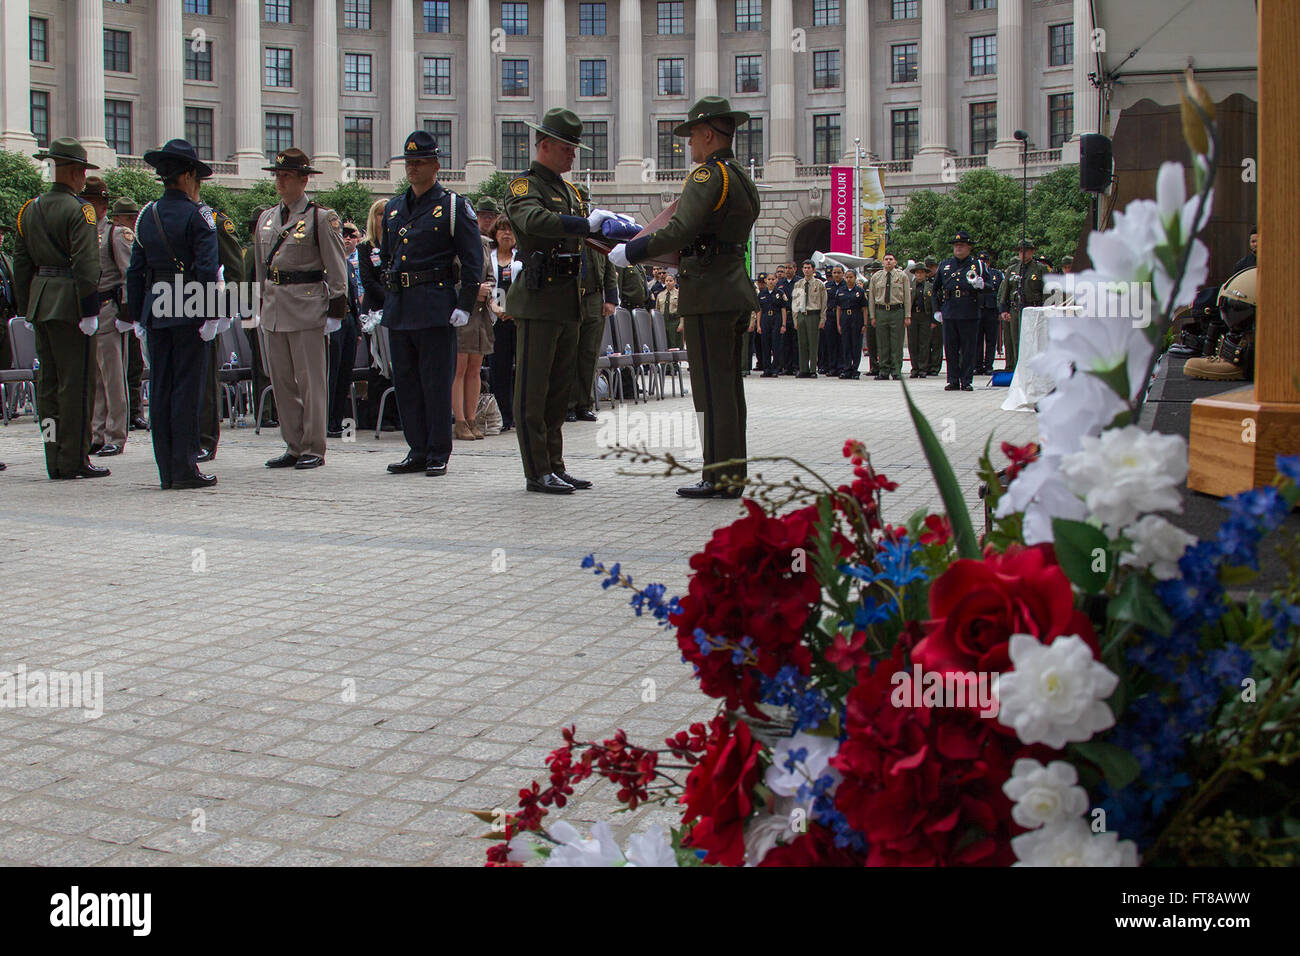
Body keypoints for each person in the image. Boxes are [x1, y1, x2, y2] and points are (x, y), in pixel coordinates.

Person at [608, 95, 760, 499]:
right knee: (728, 389)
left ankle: (718, 475)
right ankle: (731, 474)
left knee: (710, 389)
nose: (689, 145)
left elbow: (681, 229)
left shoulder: (707, 177)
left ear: (707, 134)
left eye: (692, 136)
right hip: (731, 288)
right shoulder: (741, 177)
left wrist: (633, 251)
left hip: (708, 294)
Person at [503, 108, 616, 494]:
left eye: (575, 149)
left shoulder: (570, 191)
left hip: (569, 297)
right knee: (533, 390)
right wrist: (584, 225)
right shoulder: (524, 186)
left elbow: (586, 238)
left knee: (558, 391)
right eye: (567, 148)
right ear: (545, 145)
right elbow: (533, 220)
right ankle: (537, 470)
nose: (573, 156)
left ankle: (555, 463)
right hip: (538, 298)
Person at [378, 131, 482, 475]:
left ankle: (438, 450)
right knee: (406, 383)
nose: (412, 169)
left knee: (435, 382)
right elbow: (388, 257)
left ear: (436, 165)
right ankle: (417, 448)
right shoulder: (394, 208)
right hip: (401, 306)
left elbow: (472, 260)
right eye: (408, 163)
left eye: (419, 162)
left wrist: (465, 304)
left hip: (436, 305)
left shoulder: (453, 206)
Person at [125, 138, 220, 489]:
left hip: (155, 308)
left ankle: (166, 467)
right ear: (189, 175)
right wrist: (212, 315)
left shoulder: (145, 215)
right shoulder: (202, 214)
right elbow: (208, 270)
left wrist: (137, 315)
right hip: (190, 306)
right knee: (186, 389)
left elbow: (135, 271)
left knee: (162, 388)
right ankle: (184, 467)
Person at [11, 137, 107, 480]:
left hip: (40, 303)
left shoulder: (29, 209)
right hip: (69, 305)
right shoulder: (81, 210)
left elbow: (21, 266)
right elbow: (85, 264)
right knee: (77, 386)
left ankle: (52, 453)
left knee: (49, 388)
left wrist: (26, 308)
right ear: (77, 172)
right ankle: (74, 458)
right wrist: (89, 309)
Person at [253, 147, 348, 471]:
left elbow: (337, 267)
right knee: (281, 380)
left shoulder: (321, 217)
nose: (280, 182)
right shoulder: (266, 218)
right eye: (277, 176)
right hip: (275, 306)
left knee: (311, 381)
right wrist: (259, 303)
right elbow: (259, 268)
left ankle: (313, 446)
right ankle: (292, 445)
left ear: (304, 180)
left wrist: (336, 311)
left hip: (307, 305)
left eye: (287, 176)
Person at [89, 197, 137, 457]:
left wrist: (127, 313)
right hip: (92, 310)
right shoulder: (87, 232)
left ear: (102, 207)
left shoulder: (116, 234)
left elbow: (129, 274)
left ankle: (116, 435)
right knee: (97, 377)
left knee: (113, 378)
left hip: (109, 308)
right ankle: (97, 432)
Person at [197, 203, 244, 461]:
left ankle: (204, 439)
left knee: (204, 377)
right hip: (169, 302)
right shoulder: (156, 213)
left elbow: (234, 269)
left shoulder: (214, 220)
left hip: (202, 305)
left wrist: (225, 310)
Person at [568, 182, 618, 424]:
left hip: (595, 298)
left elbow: (609, 264)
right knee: (569, 352)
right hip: (572, 297)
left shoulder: (598, 232)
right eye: (581, 205)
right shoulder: (568, 229)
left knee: (589, 354)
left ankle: (583, 404)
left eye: (586, 205)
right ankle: (567, 404)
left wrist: (611, 299)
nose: (584, 209)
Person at [933, 230, 985, 392]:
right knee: (951, 347)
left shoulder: (977, 265)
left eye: (961, 245)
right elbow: (935, 290)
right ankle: (953, 379)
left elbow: (991, 287)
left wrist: (981, 285)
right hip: (949, 310)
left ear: (969, 247)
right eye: (956, 245)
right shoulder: (945, 265)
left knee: (968, 348)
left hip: (969, 310)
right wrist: (937, 310)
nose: (958, 248)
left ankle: (966, 380)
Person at [326, 219, 363, 438]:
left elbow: (353, 300)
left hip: (348, 321)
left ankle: (337, 420)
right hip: (333, 321)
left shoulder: (347, 264)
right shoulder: (326, 263)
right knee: (332, 372)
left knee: (344, 373)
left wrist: (357, 327)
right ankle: (328, 419)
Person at [486, 216, 519, 431]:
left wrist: (515, 310)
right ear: (495, 234)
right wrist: (495, 308)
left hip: (519, 318)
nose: (506, 234)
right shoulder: (487, 258)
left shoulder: (522, 257)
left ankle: (520, 413)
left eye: (510, 230)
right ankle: (503, 416)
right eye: (502, 230)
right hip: (495, 319)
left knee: (522, 368)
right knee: (500, 369)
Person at [997, 239, 1045, 372]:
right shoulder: (1012, 270)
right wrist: (1003, 310)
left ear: (1032, 252)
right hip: (1015, 309)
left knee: (1032, 341)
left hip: (1033, 309)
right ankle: (1017, 368)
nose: (1023, 254)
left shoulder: (1040, 269)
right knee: (1015, 341)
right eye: (1020, 251)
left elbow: (1046, 291)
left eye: (1026, 251)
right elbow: (1005, 291)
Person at [868, 253, 911, 380]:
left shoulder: (902, 276)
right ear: (883, 262)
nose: (888, 262)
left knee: (896, 343)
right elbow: (872, 298)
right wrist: (872, 316)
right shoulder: (876, 277)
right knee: (882, 343)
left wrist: (907, 315)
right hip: (881, 311)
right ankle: (883, 370)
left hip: (897, 311)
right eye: (886, 259)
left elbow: (907, 297)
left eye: (890, 259)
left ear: (895, 262)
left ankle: (896, 370)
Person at [791, 259, 825, 378]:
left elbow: (824, 303)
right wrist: (795, 319)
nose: (806, 270)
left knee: (813, 343)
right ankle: (803, 368)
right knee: (802, 343)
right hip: (802, 315)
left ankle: (812, 369)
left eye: (809, 268)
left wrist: (822, 319)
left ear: (813, 269)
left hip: (813, 315)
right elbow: (795, 303)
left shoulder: (819, 284)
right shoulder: (798, 284)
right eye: (804, 268)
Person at [975, 249, 1004, 376]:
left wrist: (1000, 310)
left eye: (985, 261)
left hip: (992, 310)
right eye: (981, 261)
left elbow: (1001, 292)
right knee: (977, 340)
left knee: (991, 340)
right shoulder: (974, 274)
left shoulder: (997, 274)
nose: (984, 264)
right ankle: (977, 365)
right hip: (978, 310)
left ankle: (988, 365)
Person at [907, 259, 932, 378]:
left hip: (925, 316)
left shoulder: (930, 286)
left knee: (924, 343)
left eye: (921, 272)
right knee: (913, 343)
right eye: (917, 273)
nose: (919, 275)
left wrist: (933, 319)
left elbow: (933, 303)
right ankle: (914, 367)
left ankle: (923, 368)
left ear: (925, 274)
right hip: (913, 315)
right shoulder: (910, 286)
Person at [757, 272, 784, 377]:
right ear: (765, 281)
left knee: (775, 344)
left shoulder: (780, 293)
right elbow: (759, 310)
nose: (771, 281)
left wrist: (783, 324)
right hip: (765, 319)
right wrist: (758, 325)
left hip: (776, 319)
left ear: (776, 280)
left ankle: (775, 369)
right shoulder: (762, 294)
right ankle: (766, 368)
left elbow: (783, 309)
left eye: (773, 279)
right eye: (769, 279)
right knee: (765, 344)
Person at [820, 264, 845, 376]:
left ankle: (841, 366)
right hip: (830, 315)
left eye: (838, 272)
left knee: (842, 342)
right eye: (834, 273)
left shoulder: (846, 285)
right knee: (830, 343)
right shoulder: (827, 286)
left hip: (842, 316)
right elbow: (823, 303)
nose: (836, 275)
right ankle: (832, 367)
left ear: (842, 274)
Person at [656, 272, 683, 349]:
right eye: (667, 281)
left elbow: (682, 311)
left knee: (675, 342)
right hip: (664, 321)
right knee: (665, 343)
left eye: (670, 281)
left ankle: (677, 360)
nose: (668, 283)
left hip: (675, 321)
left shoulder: (679, 294)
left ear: (675, 282)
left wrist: (681, 324)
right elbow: (657, 310)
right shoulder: (660, 295)